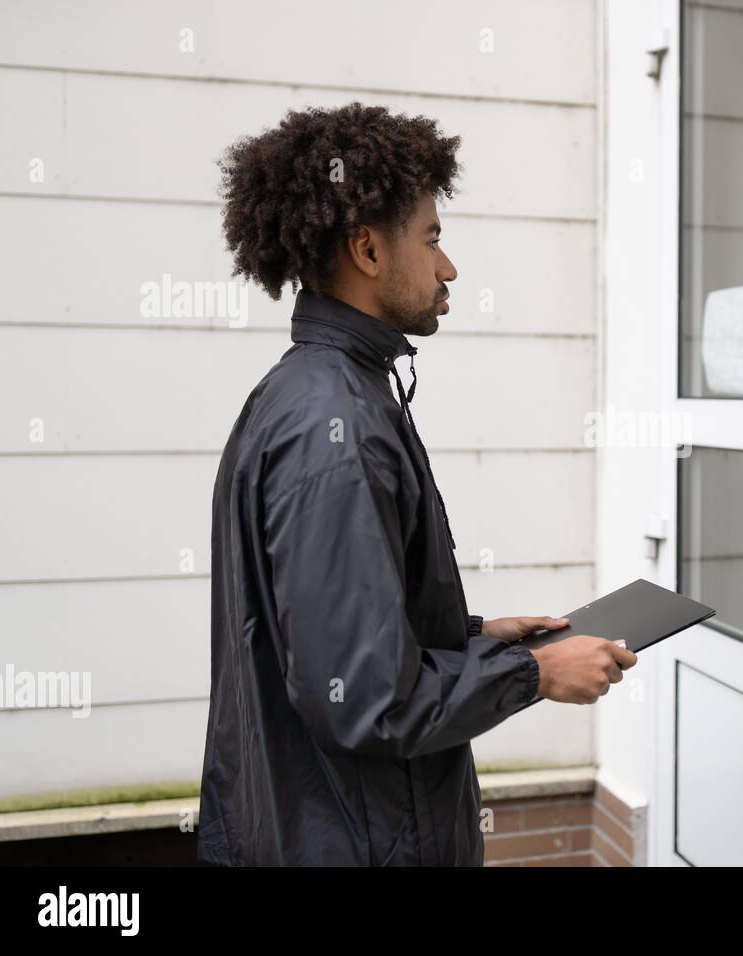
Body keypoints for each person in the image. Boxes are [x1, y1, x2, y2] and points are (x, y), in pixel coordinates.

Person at [196, 102, 637, 866]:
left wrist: (471, 638)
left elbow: (336, 639)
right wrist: (534, 673)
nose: (448, 266)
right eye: (432, 238)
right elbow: (365, 700)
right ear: (367, 249)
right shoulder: (336, 427)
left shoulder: (322, 393)